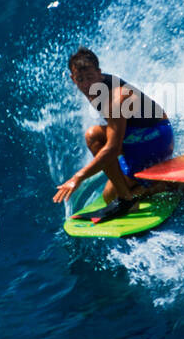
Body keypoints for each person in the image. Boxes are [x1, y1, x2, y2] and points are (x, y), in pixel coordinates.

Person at [53, 47, 174, 220]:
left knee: (93, 135)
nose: (86, 85)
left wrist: (78, 177)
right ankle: (143, 190)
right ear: (73, 79)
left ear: (99, 73)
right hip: (136, 139)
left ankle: (151, 190)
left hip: (155, 137)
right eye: (80, 79)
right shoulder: (96, 90)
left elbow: (112, 148)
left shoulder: (114, 98)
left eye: (90, 78)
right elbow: (114, 144)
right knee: (109, 195)